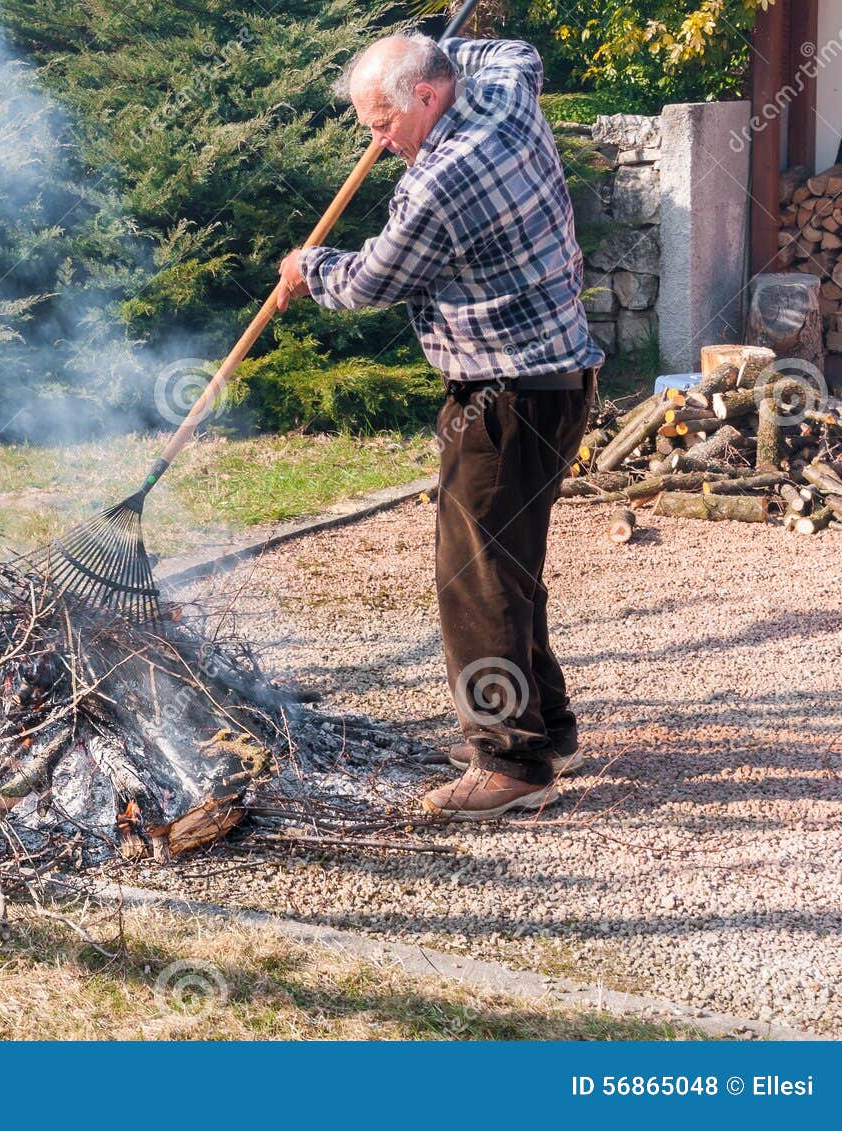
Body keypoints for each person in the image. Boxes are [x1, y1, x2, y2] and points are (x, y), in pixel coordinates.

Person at [275, 33, 603, 820]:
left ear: (427, 96)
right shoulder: (505, 92)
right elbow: (512, 46)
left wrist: (305, 267)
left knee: (475, 578)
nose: (378, 142)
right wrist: (436, 39)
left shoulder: (443, 182)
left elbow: (371, 280)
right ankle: (545, 728)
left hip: (504, 398)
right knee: (508, 566)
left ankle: (509, 762)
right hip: (561, 380)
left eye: (384, 123)